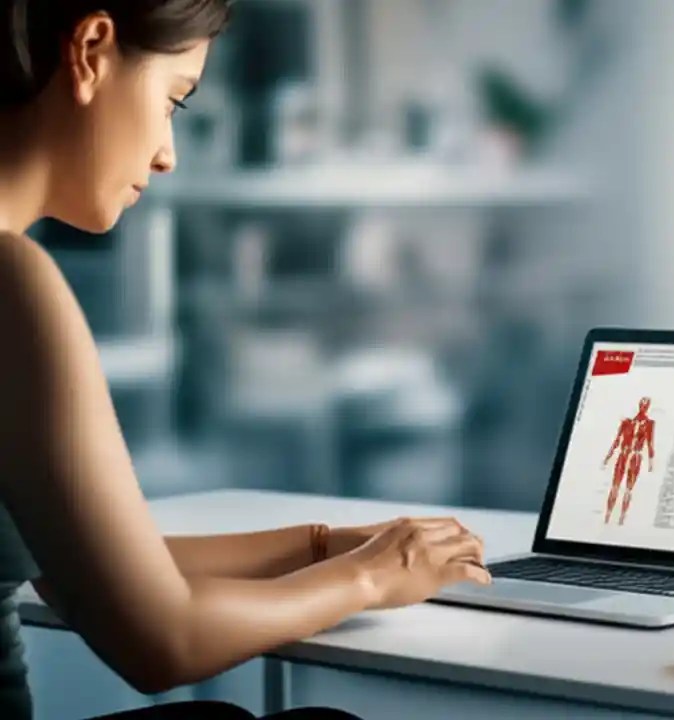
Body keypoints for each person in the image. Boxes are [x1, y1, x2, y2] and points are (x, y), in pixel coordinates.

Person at [0, 2, 493, 718]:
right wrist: (370, 582)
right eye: (173, 99)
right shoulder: (13, 284)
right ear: (92, 50)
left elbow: (94, 566)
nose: (168, 153)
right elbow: (160, 638)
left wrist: (328, 547)